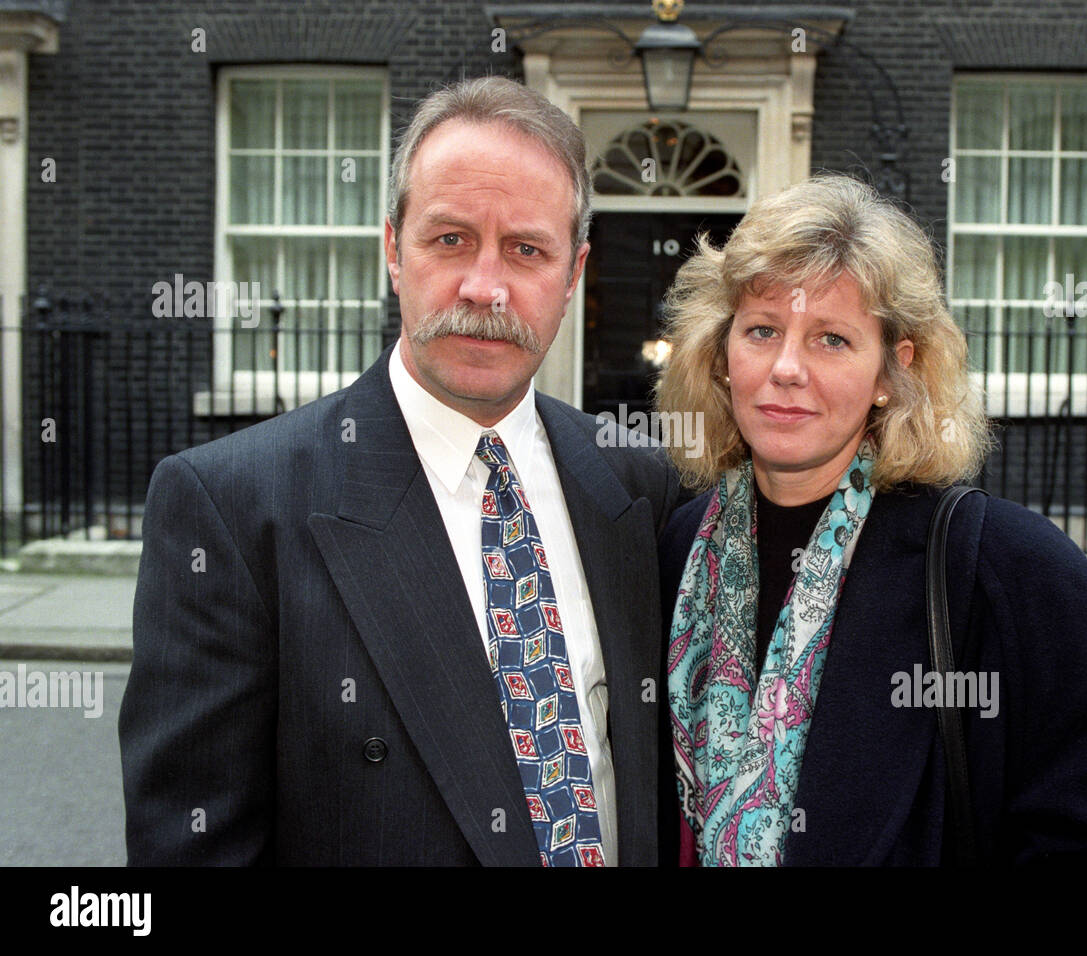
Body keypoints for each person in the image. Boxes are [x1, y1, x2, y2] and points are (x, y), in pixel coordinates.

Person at [119, 76, 681, 866]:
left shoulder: (639, 484)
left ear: (575, 271)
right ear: (392, 247)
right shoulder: (232, 510)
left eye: (527, 250)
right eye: (450, 239)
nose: (484, 288)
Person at [654, 174, 1087, 866]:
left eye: (831, 340)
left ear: (892, 371)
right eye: (762, 330)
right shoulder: (678, 546)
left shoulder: (1006, 569)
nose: (786, 368)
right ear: (722, 354)